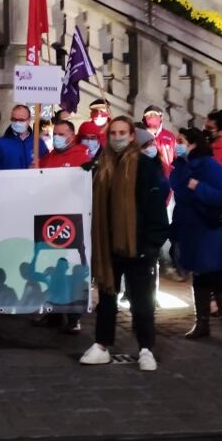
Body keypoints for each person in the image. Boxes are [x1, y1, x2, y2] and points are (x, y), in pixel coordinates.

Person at [80, 117, 170, 372]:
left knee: (142, 301)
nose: (117, 137)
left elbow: (155, 206)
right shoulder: (100, 165)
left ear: (132, 136)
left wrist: (153, 243)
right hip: (107, 244)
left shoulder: (144, 166)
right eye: (113, 133)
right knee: (107, 297)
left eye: (122, 133)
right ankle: (101, 344)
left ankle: (146, 348)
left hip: (138, 245)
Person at [171, 127, 222, 352]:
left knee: (219, 276)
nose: (177, 144)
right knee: (199, 275)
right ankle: (202, 323)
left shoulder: (208, 165)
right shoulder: (181, 165)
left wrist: (198, 187)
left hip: (211, 232)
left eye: (181, 141)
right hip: (191, 230)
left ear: (193, 144)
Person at [0, 105, 46, 170]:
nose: (17, 122)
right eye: (14, 119)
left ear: (29, 120)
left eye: (21, 120)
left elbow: (47, 167)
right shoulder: (1, 144)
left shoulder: (39, 143)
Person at [141, 105, 177, 175]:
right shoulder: (141, 134)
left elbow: (175, 157)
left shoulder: (170, 136)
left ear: (161, 117)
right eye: (148, 115)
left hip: (165, 177)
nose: (151, 117)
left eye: (154, 114)